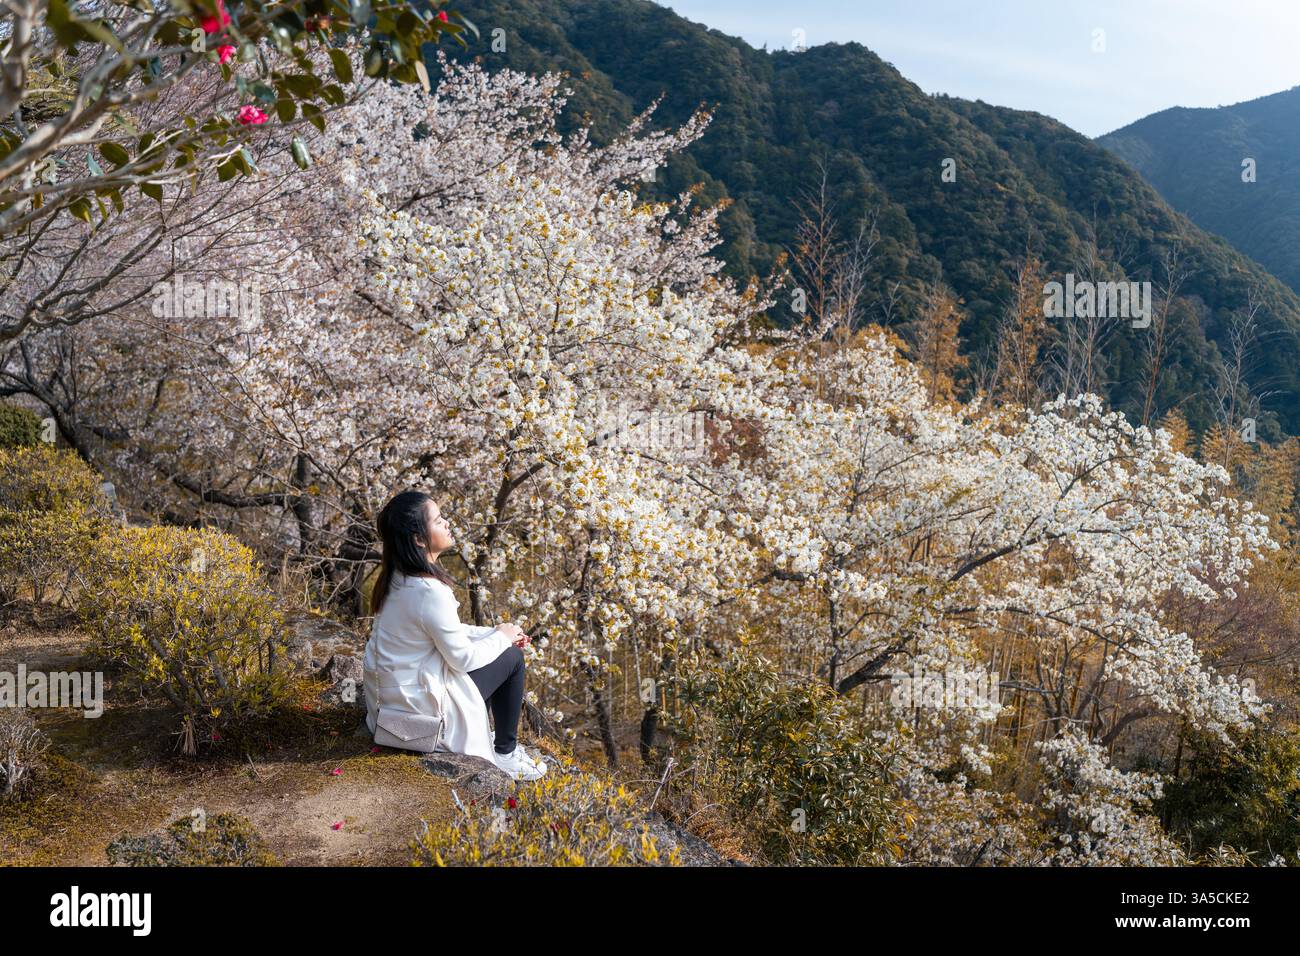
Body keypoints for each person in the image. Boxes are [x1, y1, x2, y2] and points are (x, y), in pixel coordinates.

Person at [363, 490, 546, 780]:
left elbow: (444, 631)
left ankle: (493, 737)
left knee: (499, 648)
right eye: (438, 520)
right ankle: (506, 754)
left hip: (389, 711)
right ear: (419, 539)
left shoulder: (397, 578)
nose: (447, 524)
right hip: (423, 719)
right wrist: (502, 640)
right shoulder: (429, 592)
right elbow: (462, 658)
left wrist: (496, 632)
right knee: (511, 658)